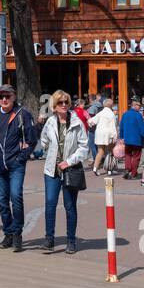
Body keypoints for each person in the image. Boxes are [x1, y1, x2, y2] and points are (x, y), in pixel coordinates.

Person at [0, 84, 35, 252]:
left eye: (7, 96)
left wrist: (22, 157)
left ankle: (17, 234)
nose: (3, 99)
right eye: (1, 96)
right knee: (2, 201)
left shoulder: (22, 114)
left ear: (14, 97)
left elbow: (32, 140)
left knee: (16, 197)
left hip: (16, 164)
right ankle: (8, 233)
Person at [39, 90, 87, 254]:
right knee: (50, 204)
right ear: (54, 105)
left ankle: (71, 241)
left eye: (66, 102)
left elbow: (84, 147)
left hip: (70, 169)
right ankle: (49, 240)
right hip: (51, 170)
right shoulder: (50, 122)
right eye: (60, 102)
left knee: (70, 206)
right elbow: (44, 140)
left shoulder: (76, 122)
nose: (64, 105)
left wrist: (69, 161)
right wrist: (51, 154)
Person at [117, 99, 144, 180]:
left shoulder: (125, 114)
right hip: (137, 139)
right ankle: (133, 173)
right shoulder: (138, 115)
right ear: (134, 105)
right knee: (136, 156)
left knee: (128, 155)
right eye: (139, 105)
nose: (140, 107)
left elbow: (121, 126)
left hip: (127, 139)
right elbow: (142, 128)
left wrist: (122, 137)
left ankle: (127, 169)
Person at [89, 96, 118, 174]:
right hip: (108, 135)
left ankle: (95, 168)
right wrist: (115, 136)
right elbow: (113, 126)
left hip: (99, 134)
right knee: (109, 152)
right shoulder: (111, 114)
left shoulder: (100, 113)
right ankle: (109, 169)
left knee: (100, 152)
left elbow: (92, 121)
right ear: (111, 105)